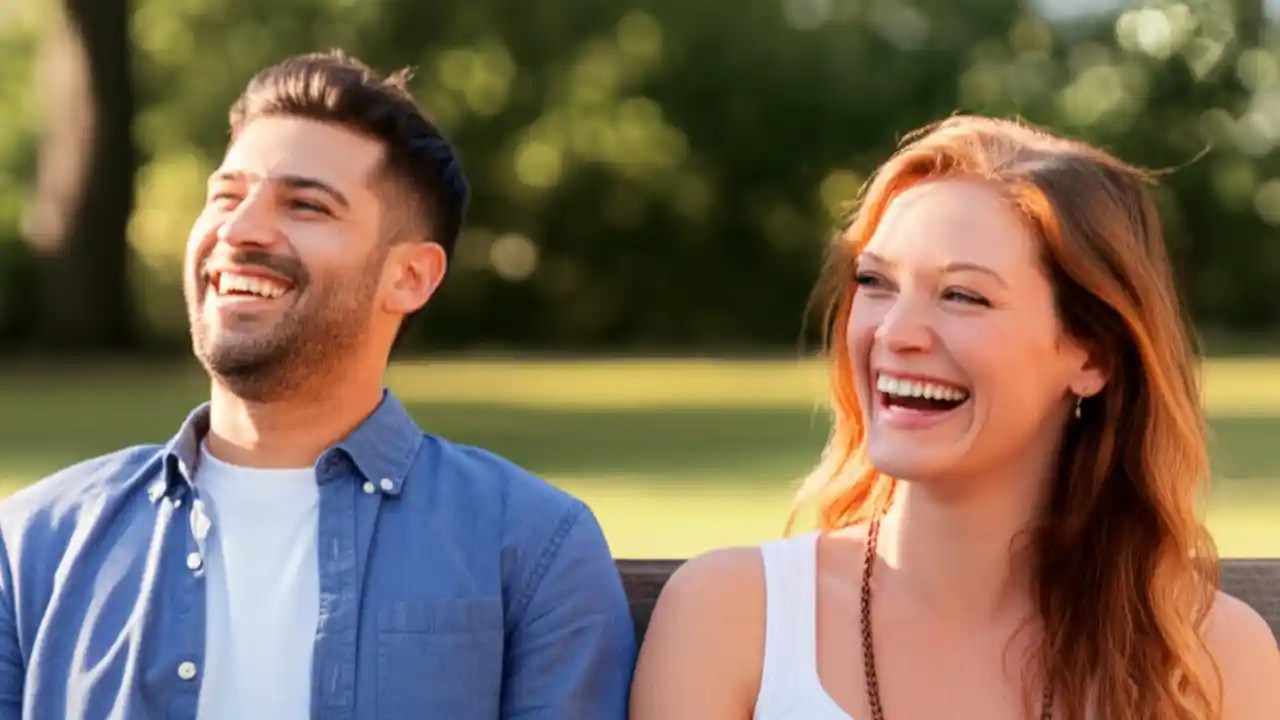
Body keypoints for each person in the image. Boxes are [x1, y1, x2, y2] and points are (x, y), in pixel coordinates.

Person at [0, 50, 635, 719]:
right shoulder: (34, 543)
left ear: (410, 277)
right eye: (225, 196)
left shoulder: (529, 546)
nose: (239, 231)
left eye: (305, 205)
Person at [629, 115, 1280, 719]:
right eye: (876, 283)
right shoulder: (733, 617)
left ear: (1094, 355)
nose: (895, 332)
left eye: (963, 295)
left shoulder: (1211, 660)